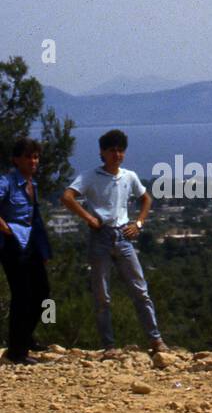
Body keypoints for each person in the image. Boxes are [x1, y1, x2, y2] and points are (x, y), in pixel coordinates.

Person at [61, 129, 166, 355]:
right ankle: (108, 346)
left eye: (120, 150)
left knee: (140, 290)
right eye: (112, 150)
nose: (117, 155)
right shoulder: (90, 176)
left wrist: (138, 223)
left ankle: (156, 341)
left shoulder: (129, 176)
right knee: (102, 294)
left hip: (124, 236)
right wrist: (88, 217)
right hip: (100, 236)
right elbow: (67, 196)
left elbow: (146, 198)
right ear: (103, 152)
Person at [0, 138, 52, 365]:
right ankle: (16, 352)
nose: (33, 161)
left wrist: (44, 251)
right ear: (16, 159)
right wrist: (6, 229)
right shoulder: (7, 182)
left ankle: (24, 338)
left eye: (36, 157)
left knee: (42, 292)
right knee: (22, 296)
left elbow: (35, 219)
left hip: (31, 246)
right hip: (13, 246)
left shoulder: (33, 185)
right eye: (29, 156)